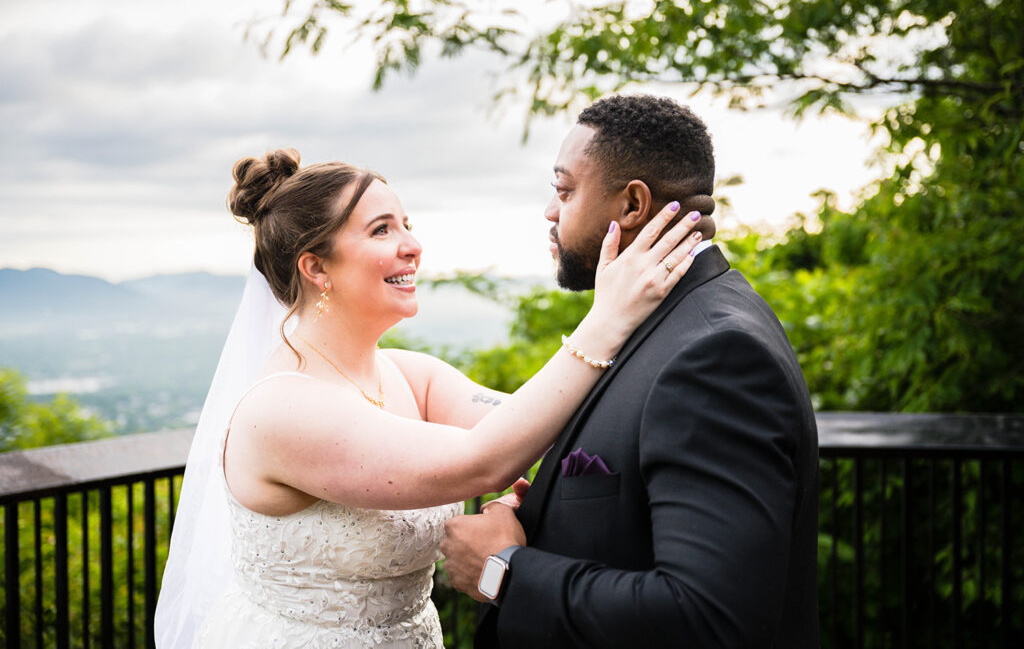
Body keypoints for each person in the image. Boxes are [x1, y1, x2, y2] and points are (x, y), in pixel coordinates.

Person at [154, 147, 704, 647]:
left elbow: (535, 422)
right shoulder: (281, 410)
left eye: (408, 225)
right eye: (381, 230)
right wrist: (604, 320)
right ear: (316, 266)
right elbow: (481, 461)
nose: (413, 246)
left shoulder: (411, 376)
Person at [441, 94, 820, 648]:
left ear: (632, 205)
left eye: (565, 190)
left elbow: (710, 617)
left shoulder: (716, 355)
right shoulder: (660, 321)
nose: (551, 211)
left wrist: (504, 569)